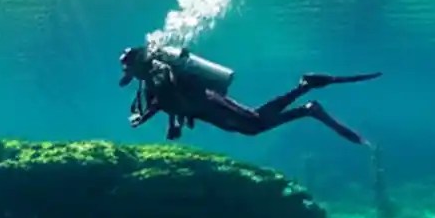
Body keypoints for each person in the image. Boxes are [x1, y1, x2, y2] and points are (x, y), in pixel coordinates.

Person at [118, 45, 380, 145]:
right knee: (253, 124)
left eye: (128, 68)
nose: (127, 73)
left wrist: (151, 118)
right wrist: (169, 123)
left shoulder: (156, 73)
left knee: (254, 124)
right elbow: (167, 100)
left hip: (210, 104)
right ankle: (305, 98)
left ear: (137, 64)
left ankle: (307, 101)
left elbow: (166, 97)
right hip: (206, 107)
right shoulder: (151, 77)